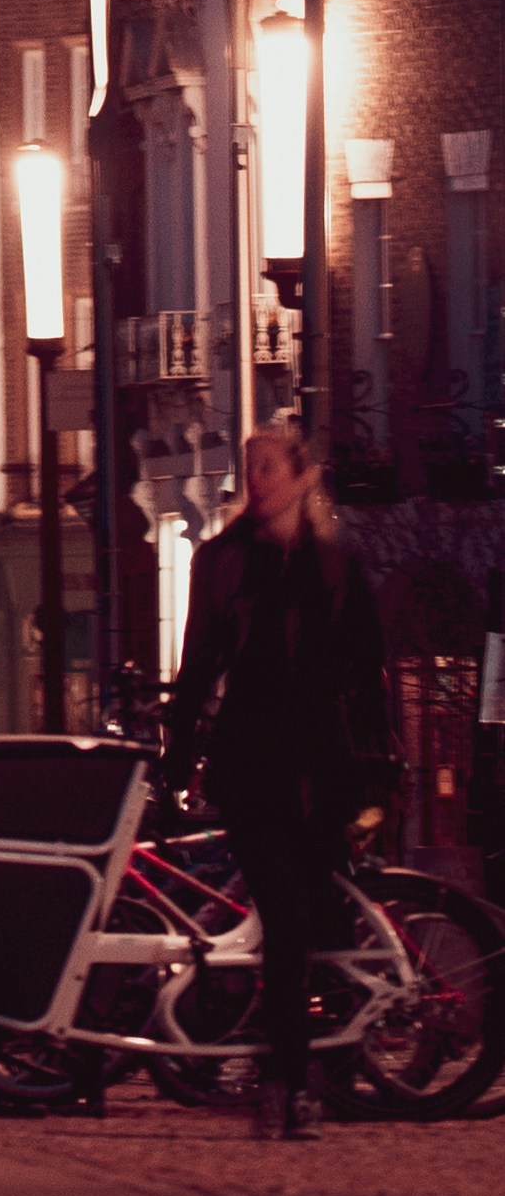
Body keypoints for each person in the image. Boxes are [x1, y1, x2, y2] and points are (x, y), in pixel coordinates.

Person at [162, 414, 393, 1141]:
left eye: (269, 467)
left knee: (323, 922)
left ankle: (330, 1069)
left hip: (322, 764)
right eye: (250, 466)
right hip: (252, 760)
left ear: (301, 477)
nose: (255, 480)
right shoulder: (224, 560)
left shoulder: (334, 563)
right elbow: (199, 662)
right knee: (288, 919)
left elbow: (367, 667)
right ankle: (287, 1081)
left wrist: (378, 759)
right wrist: (178, 752)